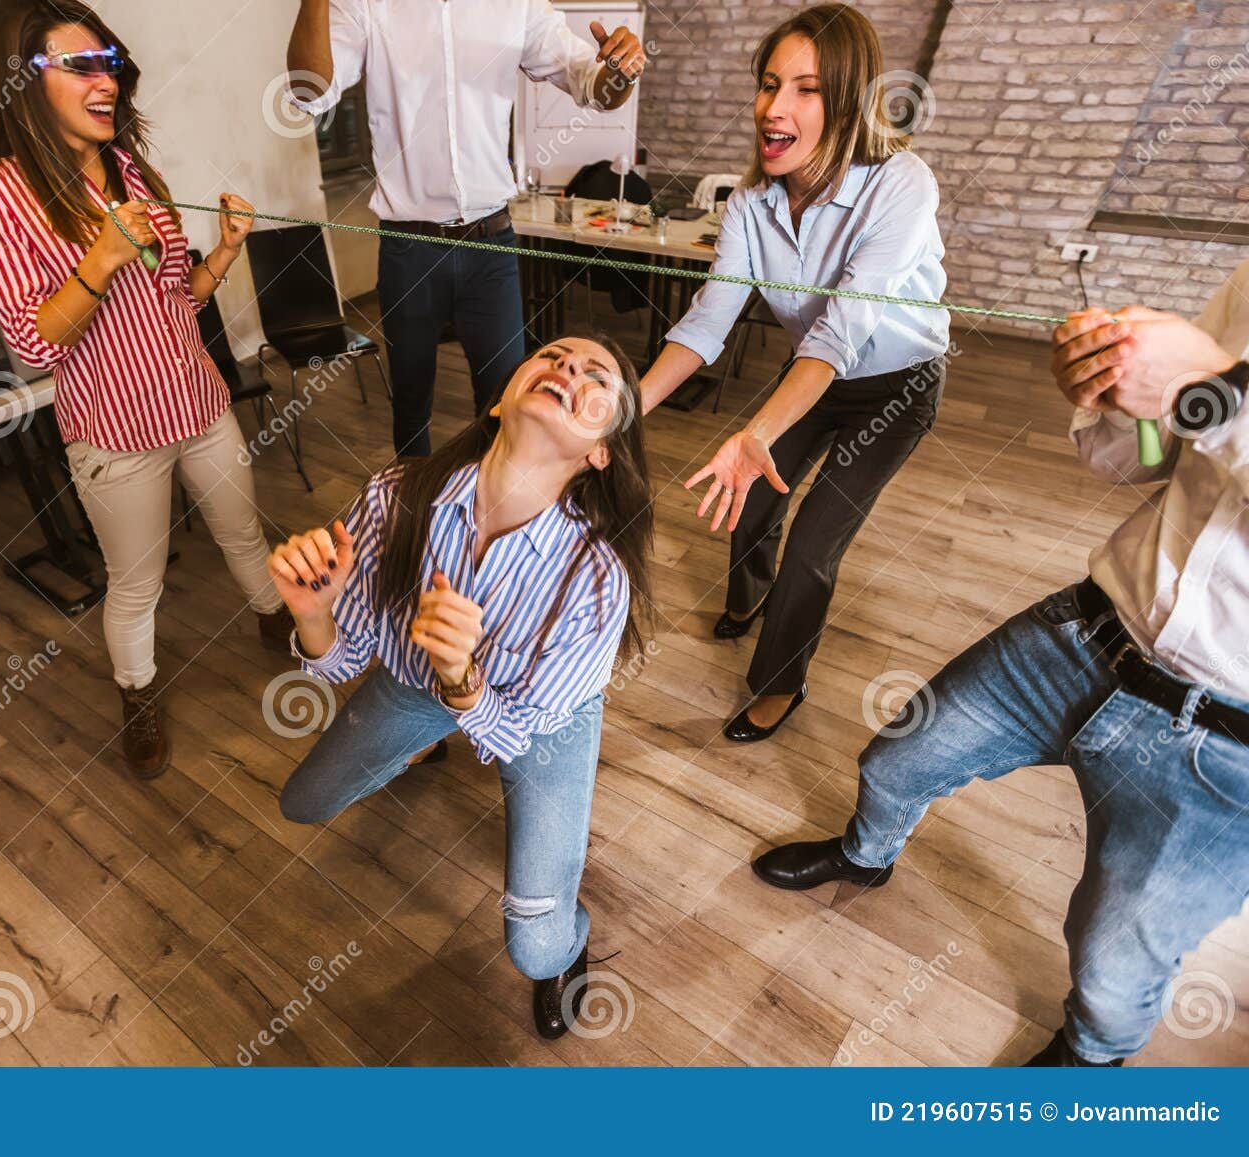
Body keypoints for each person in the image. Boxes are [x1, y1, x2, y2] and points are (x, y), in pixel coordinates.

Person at [753, 256, 1249, 1067]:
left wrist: (1217, 388)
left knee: (1113, 964)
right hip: (1091, 632)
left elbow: (1221, 402)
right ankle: (866, 856)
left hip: (1230, 748)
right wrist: (1123, 398)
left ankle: (1091, 1057)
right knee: (899, 757)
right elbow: (1144, 461)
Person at [271, 334, 653, 1040]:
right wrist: (314, 614)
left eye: (595, 375)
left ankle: (571, 941)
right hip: (422, 687)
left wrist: (465, 682)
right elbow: (344, 655)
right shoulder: (396, 496)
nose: (567, 368)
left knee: (535, 946)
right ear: (497, 400)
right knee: (302, 802)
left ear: (600, 450)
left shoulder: (598, 580)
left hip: (542, 718)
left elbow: (526, 726)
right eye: (552, 356)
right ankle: (426, 740)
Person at [0, 0, 291, 780]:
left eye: (108, 62)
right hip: (113, 431)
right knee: (137, 582)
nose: (104, 77)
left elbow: (178, 300)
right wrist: (102, 258)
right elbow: (35, 342)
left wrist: (226, 254)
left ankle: (281, 628)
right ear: (25, 82)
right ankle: (137, 694)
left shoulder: (133, 172)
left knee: (244, 536)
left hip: (199, 404)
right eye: (80, 64)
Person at [637, 4, 949, 743]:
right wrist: (628, 407)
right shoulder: (750, 203)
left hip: (896, 386)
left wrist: (756, 430)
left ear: (850, 98)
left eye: (806, 89)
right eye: (770, 84)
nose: (774, 109)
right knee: (751, 509)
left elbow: (842, 331)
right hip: (815, 374)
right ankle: (747, 601)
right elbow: (710, 320)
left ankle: (781, 682)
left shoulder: (902, 184)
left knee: (813, 543)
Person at [285, 0, 647, 457]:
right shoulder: (366, 4)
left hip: (490, 246)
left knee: (504, 403)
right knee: (411, 410)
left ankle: (493, 516)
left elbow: (596, 88)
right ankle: (413, 519)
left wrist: (622, 70)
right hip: (409, 248)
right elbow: (309, 94)